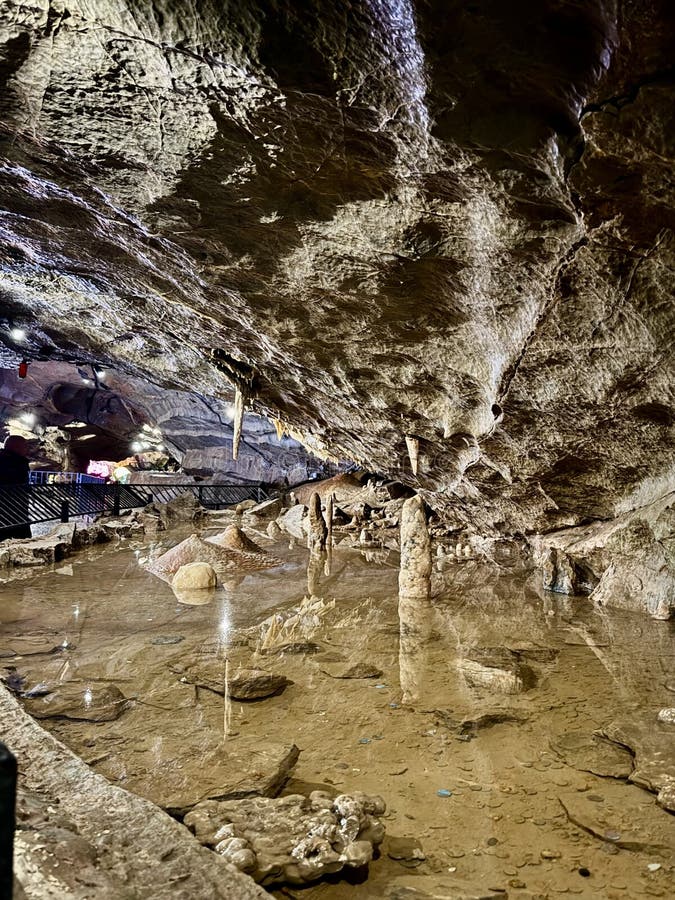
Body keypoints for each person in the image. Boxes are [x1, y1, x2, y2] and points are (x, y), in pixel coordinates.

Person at [0, 435, 32, 539]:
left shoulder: (11, 461)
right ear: (16, 447)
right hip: (15, 513)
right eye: (25, 446)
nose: (27, 449)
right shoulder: (17, 463)